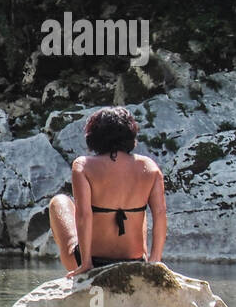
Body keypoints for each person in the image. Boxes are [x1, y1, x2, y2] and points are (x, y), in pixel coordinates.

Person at [48, 106, 167, 276]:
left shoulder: (83, 165)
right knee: (140, 207)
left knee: (59, 202)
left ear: (93, 136)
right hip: (135, 262)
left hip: (93, 262)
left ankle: (86, 260)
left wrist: (86, 263)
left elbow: (84, 215)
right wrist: (155, 261)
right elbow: (161, 213)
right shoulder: (149, 167)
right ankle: (150, 259)